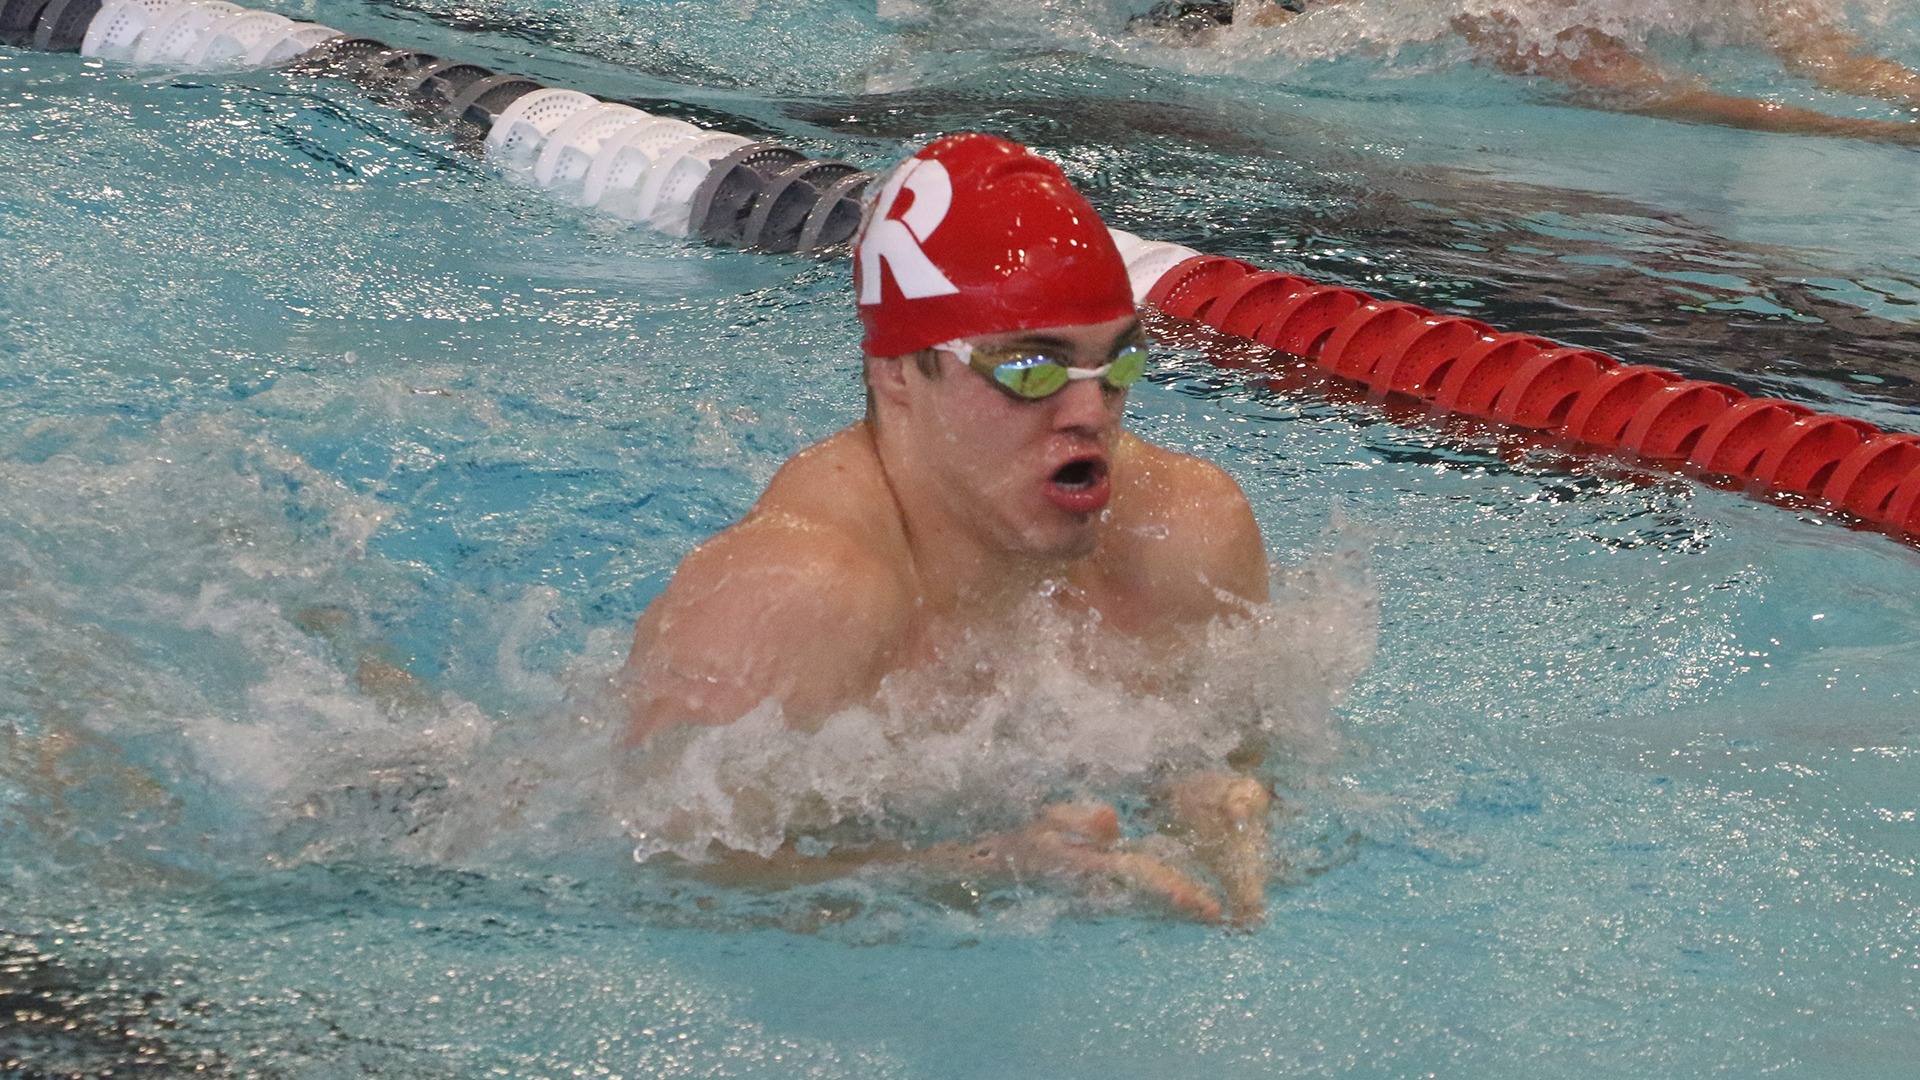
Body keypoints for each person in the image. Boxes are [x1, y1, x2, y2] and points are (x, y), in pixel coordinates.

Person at [620, 133, 1277, 925]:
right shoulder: (798, 600)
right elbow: (656, 869)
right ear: (899, 370)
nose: (1090, 414)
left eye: (1118, 368)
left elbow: (1247, 744)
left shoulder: (1181, 535)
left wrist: (1206, 790)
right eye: (1031, 371)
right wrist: (967, 872)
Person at [1134, 0, 1920, 143]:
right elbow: (1657, 99)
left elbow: (1840, 62)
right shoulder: (1509, 14)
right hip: (1265, 31)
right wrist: (1869, 137)